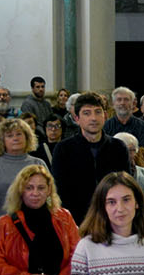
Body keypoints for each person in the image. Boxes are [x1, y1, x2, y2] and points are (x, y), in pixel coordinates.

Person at [51, 93, 133, 222]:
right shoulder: (63, 149)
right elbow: (59, 190)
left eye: (98, 112)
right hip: (76, 220)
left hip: (112, 218)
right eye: (87, 113)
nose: (93, 118)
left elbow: (125, 185)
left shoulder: (118, 147)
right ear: (77, 118)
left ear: (105, 116)